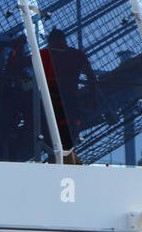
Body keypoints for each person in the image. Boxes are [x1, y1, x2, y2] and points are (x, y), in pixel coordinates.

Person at [41, 28, 101, 165]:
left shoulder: (45, 55)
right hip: (71, 101)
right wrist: (95, 97)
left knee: (51, 140)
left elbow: (26, 67)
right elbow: (91, 76)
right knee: (69, 138)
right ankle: (69, 162)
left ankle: (55, 162)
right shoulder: (77, 55)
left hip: (50, 102)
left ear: (50, 41)